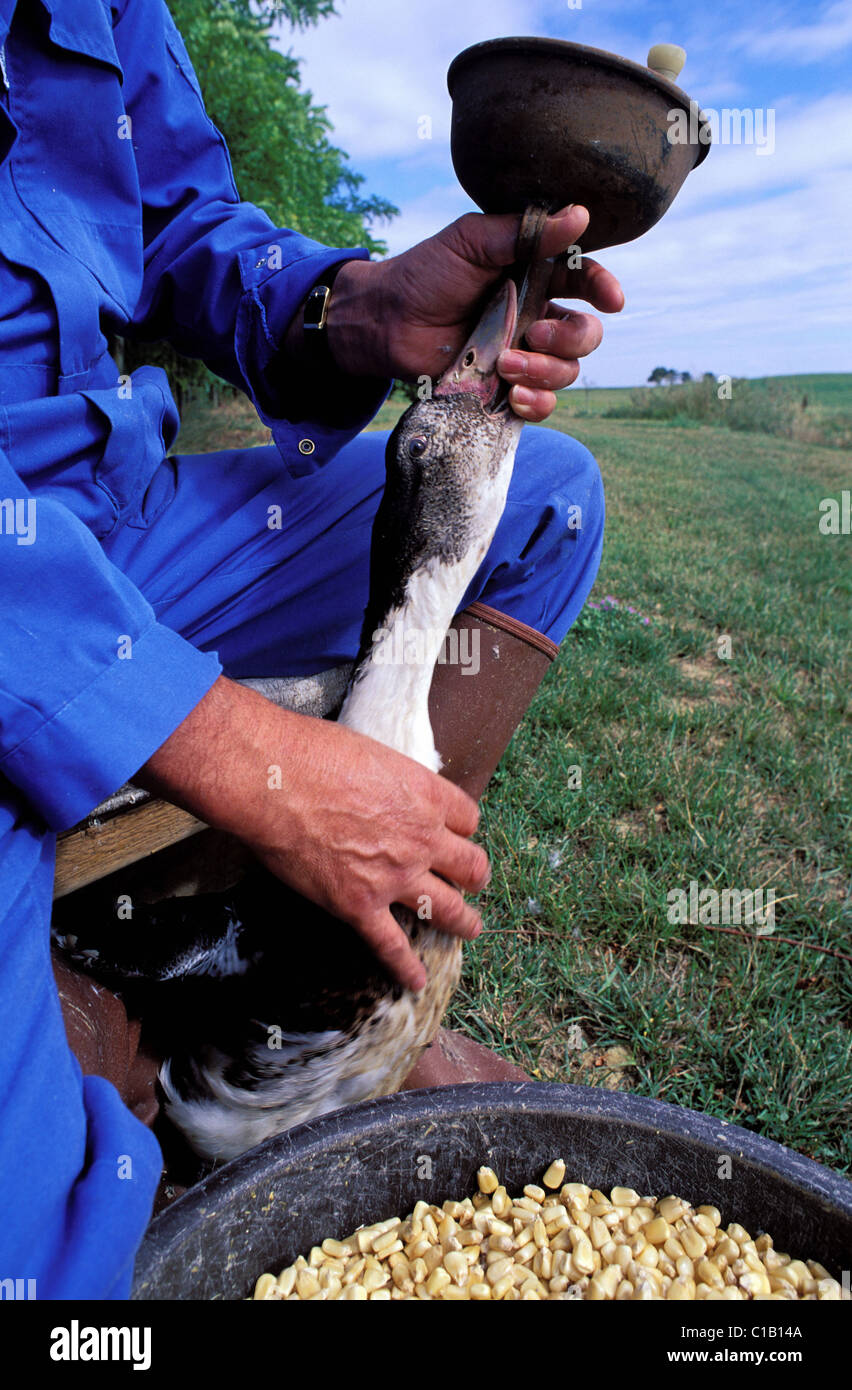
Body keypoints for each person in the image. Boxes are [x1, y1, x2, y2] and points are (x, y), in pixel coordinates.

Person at [0, 0, 622, 1298]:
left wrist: (356, 306)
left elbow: (176, 224)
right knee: (53, 1259)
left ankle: (331, 1007)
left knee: (548, 494)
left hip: (109, 510)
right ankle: (106, 1034)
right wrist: (243, 757)